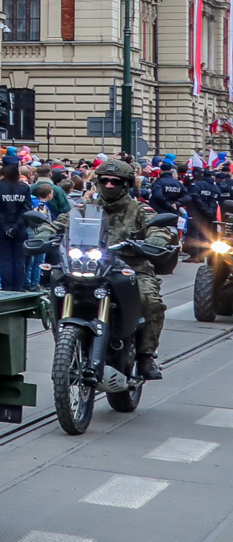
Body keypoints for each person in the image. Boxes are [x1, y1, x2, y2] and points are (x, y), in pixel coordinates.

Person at [90, 160, 174, 379]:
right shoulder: (87, 208)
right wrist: (45, 232)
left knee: (149, 301)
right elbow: (62, 222)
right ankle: (67, 344)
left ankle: (145, 356)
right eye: (104, 180)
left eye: (115, 181)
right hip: (94, 267)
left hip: (132, 267)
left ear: (126, 184)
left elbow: (158, 226)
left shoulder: (139, 209)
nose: (108, 185)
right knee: (59, 290)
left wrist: (156, 239)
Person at [0, 161, 33, 290]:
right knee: (19, 261)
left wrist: (5, 226)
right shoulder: (24, 187)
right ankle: (17, 289)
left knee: (5, 261)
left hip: (2, 229)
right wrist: (16, 226)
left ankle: (7, 289)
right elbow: (26, 209)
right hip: (20, 229)